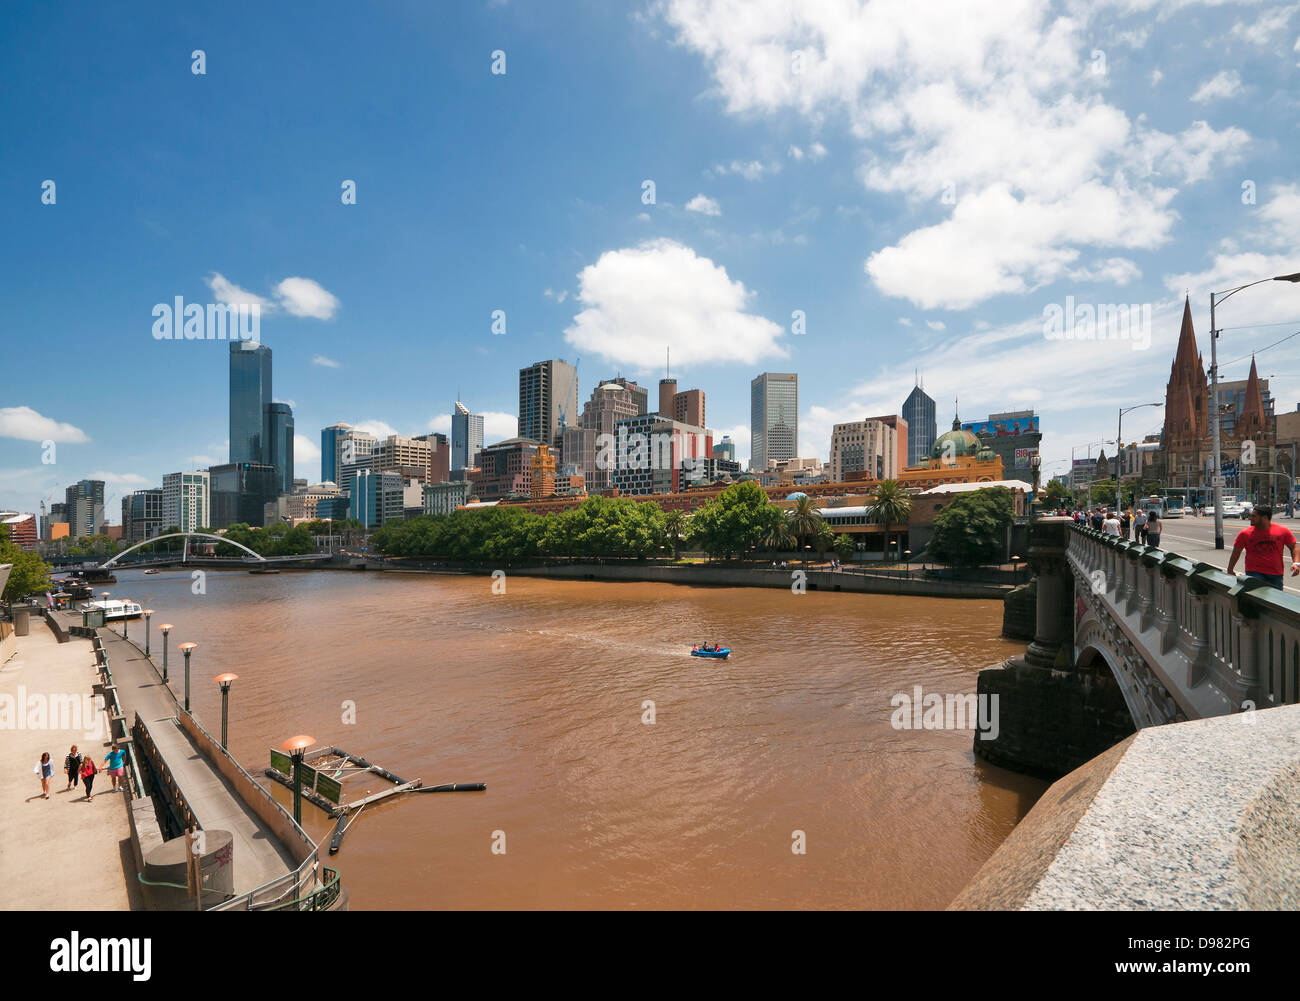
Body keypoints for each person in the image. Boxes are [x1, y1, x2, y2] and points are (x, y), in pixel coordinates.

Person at [1226, 505, 1299, 590]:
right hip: (1254, 572)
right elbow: (1236, 552)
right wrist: (1230, 569)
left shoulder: (1282, 531)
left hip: (1276, 574)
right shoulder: (1245, 534)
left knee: (1275, 600)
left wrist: (1296, 563)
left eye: (1254, 516)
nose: (1250, 518)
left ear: (1264, 518)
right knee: (1257, 598)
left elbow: (1294, 546)